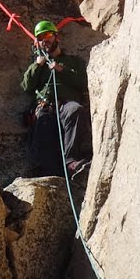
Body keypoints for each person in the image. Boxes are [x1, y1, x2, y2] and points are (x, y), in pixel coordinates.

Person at [21, 20, 92, 179]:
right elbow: (27, 86)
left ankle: (72, 162)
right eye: (40, 38)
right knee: (43, 122)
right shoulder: (38, 65)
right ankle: (50, 171)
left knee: (76, 110)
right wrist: (37, 65)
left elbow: (83, 82)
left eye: (47, 35)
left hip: (66, 103)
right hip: (46, 105)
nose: (45, 40)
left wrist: (62, 70)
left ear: (56, 37)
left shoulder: (73, 62)